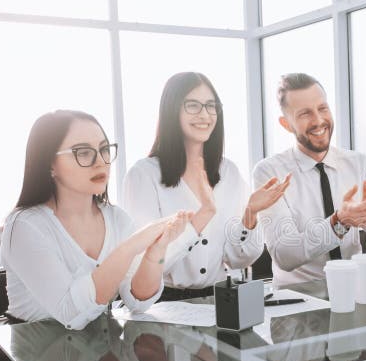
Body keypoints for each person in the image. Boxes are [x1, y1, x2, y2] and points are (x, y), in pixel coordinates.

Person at [0, 109, 189, 361]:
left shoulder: (116, 218)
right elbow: (73, 313)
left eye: (104, 149)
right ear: (50, 164)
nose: (100, 162)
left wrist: (154, 251)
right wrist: (132, 246)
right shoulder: (24, 225)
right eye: (83, 152)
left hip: (93, 357)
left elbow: (137, 301)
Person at [122, 72, 289, 300]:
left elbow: (238, 259)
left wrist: (250, 214)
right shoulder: (143, 175)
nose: (204, 115)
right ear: (172, 110)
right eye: (192, 105)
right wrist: (203, 215)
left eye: (211, 106)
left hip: (219, 299)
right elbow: (145, 263)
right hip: (163, 302)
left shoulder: (229, 172)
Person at [252, 73, 366, 287]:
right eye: (305, 113)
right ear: (286, 124)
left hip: (354, 290)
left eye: (322, 108)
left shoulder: (359, 164)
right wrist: (339, 223)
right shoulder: (269, 172)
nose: (319, 120)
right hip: (297, 298)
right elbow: (285, 256)